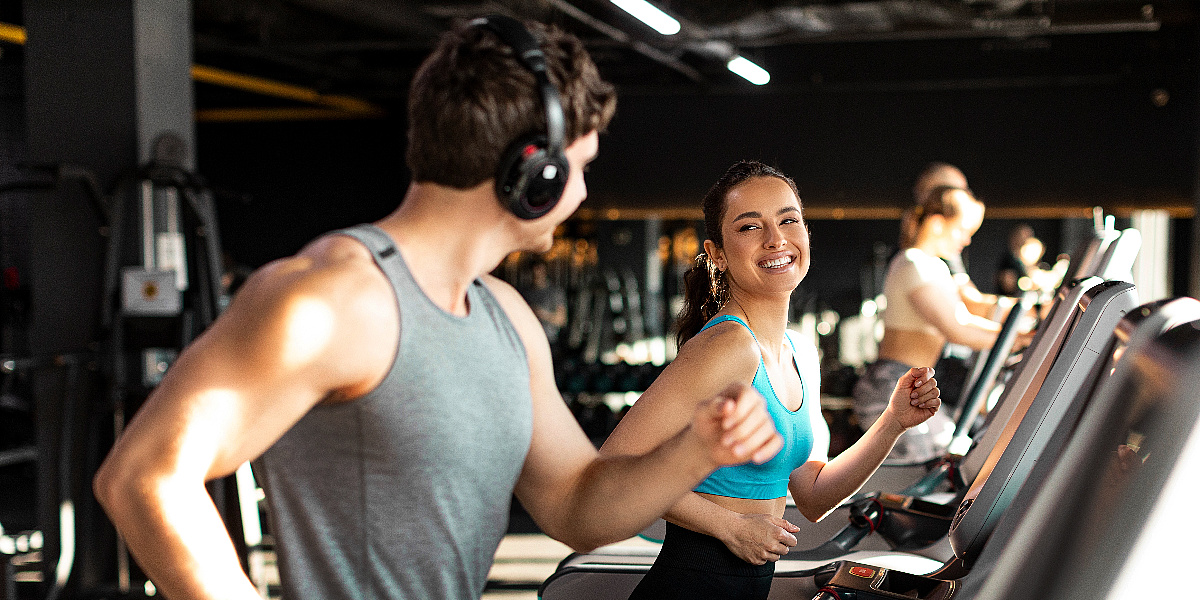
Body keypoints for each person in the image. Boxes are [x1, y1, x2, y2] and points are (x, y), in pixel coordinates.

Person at [91, 17, 787, 600]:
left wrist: (696, 449)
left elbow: (577, 506)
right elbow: (145, 475)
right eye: (579, 169)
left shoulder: (505, 318)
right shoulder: (338, 297)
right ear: (533, 172)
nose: (580, 194)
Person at [599, 161, 942, 600]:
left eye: (788, 220)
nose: (776, 239)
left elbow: (813, 495)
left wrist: (893, 422)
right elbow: (614, 467)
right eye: (749, 227)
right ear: (717, 253)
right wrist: (731, 528)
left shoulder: (800, 352)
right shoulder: (729, 346)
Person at [853, 185, 1017, 465]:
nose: (966, 240)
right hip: (892, 387)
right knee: (939, 465)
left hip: (913, 384)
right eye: (962, 230)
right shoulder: (912, 263)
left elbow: (968, 316)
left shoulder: (934, 266)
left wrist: (1023, 330)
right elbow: (957, 328)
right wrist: (1023, 338)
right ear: (938, 223)